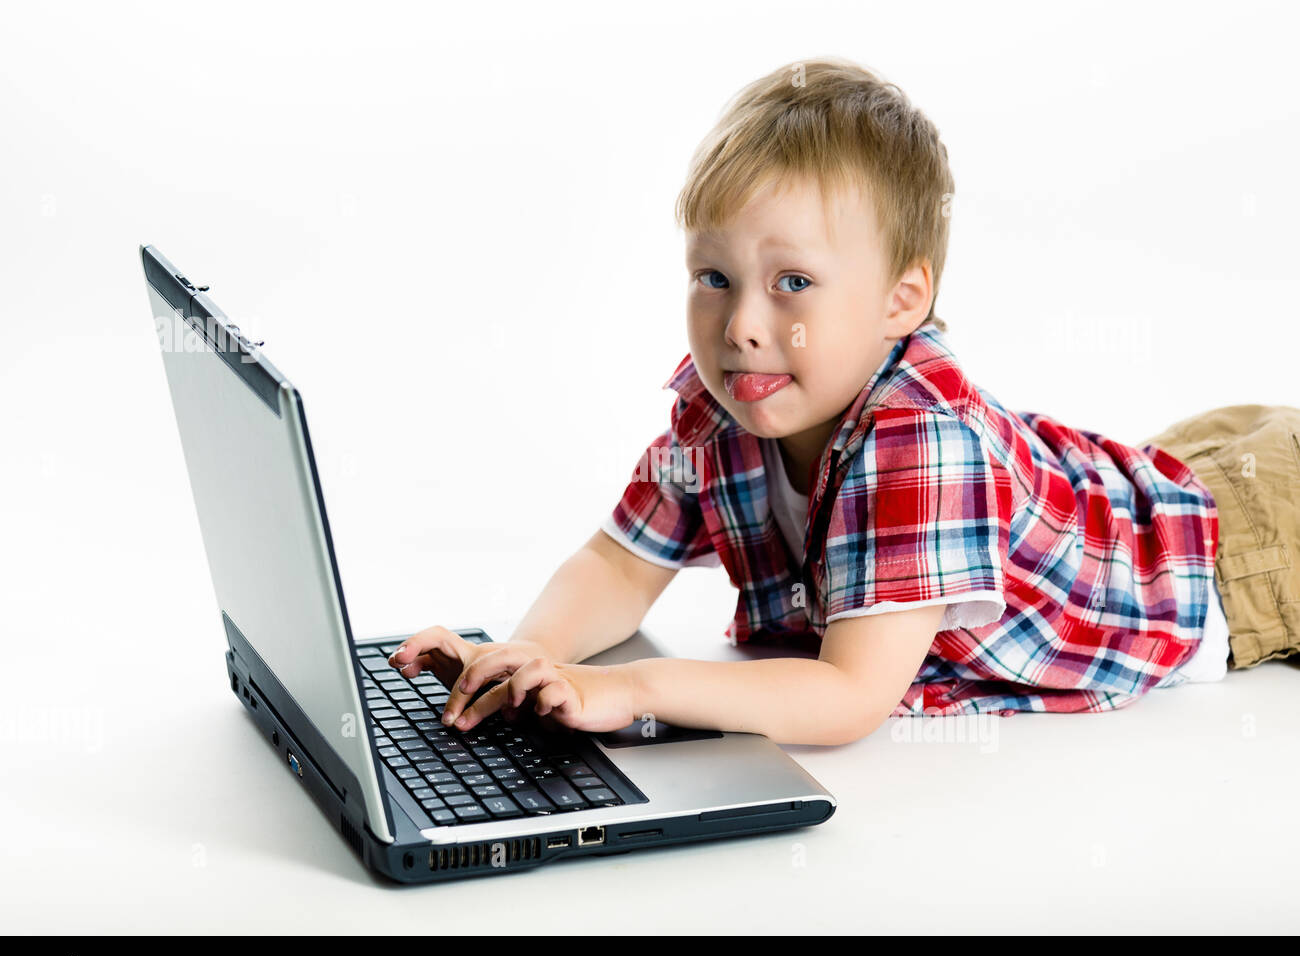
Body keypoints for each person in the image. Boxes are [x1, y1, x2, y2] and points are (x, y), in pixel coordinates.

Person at [390, 58, 1300, 746]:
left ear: (901, 302)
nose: (742, 324)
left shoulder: (918, 439)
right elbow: (619, 566)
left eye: (792, 281)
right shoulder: (723, 409)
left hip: (1242, 558)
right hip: (1166, 474)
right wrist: (525, 658)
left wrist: (629, 690)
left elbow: (850, 695)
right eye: (714, 276)